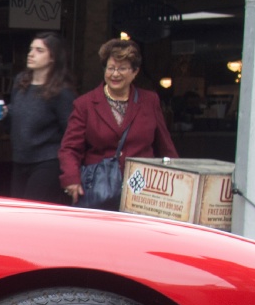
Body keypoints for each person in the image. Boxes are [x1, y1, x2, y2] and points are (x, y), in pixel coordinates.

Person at [60, 38, 177, 206]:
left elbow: (165, 146)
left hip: (143, 190)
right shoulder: (85, 104)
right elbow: (70, 148)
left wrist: (176, 179)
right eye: (111, 68)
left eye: (122, 68)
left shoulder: (150, 100)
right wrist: (71, 178)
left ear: (135, 72)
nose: (115, 74)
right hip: (100, 190)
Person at [2, 32, 77, 203]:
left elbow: (71, 132)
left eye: (39, 50)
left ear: (53, 57)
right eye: (30, 49)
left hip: (47, 161)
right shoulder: (21, 82)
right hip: (20, 159)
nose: (31, 54)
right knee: (17, 210)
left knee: (33, 211)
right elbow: (16, 118)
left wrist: (70, 169)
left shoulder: (62, 91)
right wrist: (5, 114)